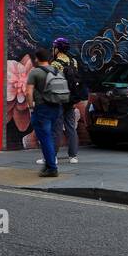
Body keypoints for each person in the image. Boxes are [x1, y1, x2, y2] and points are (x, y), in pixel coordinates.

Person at [38, 37, 83, 166]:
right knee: (70, 127)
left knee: (55, 129)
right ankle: (73, 156)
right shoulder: (73, 62)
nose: (53, 49)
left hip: (58, 100)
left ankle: (52, 157)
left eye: (54, 47)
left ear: (57, 49)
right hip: (71, 99)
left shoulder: (55, 64)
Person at [26, 47, 65, 177]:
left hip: (42, 108)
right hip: (57, 107)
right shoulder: (56, 70)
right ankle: (48, 165)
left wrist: (31, 107)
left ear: (37, 59)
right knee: (51, 136)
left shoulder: (35, 72)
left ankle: (52, 168)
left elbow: (28, 92)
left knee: (45, 138)